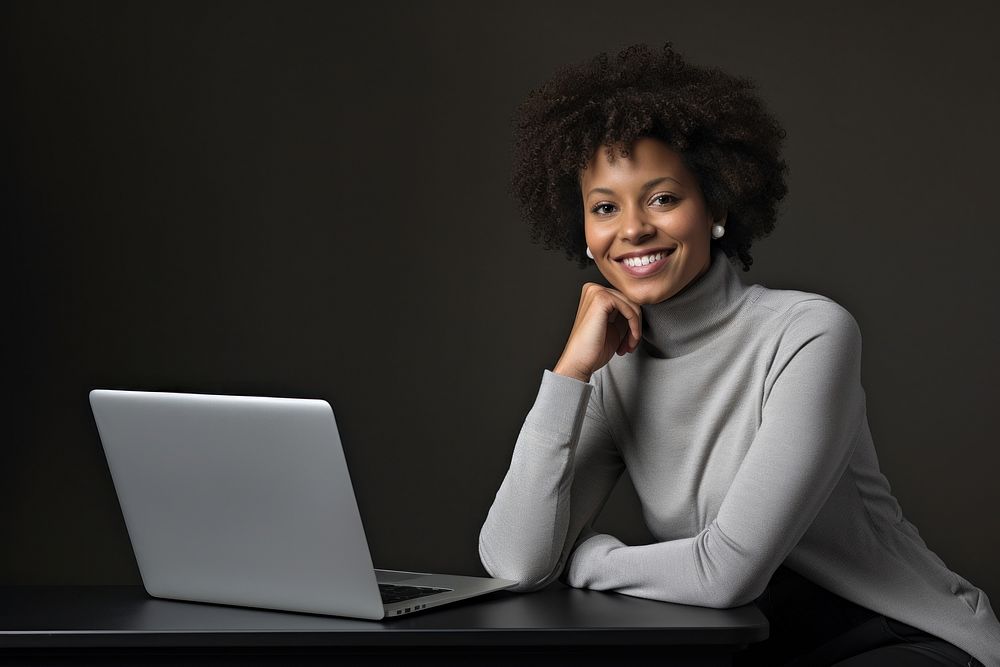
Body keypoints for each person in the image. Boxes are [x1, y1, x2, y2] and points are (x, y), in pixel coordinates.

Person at [478, 42, 1000, 666]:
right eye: (605, 207)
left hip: (896, 635)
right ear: (585, 234)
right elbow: (514, 561)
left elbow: (725, 575)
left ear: (717, 207)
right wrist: (569, 376)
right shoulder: (614, 371)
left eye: (663, 198)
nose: (633, 229)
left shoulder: (808, 334)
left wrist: (586, 560)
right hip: (747, 644)